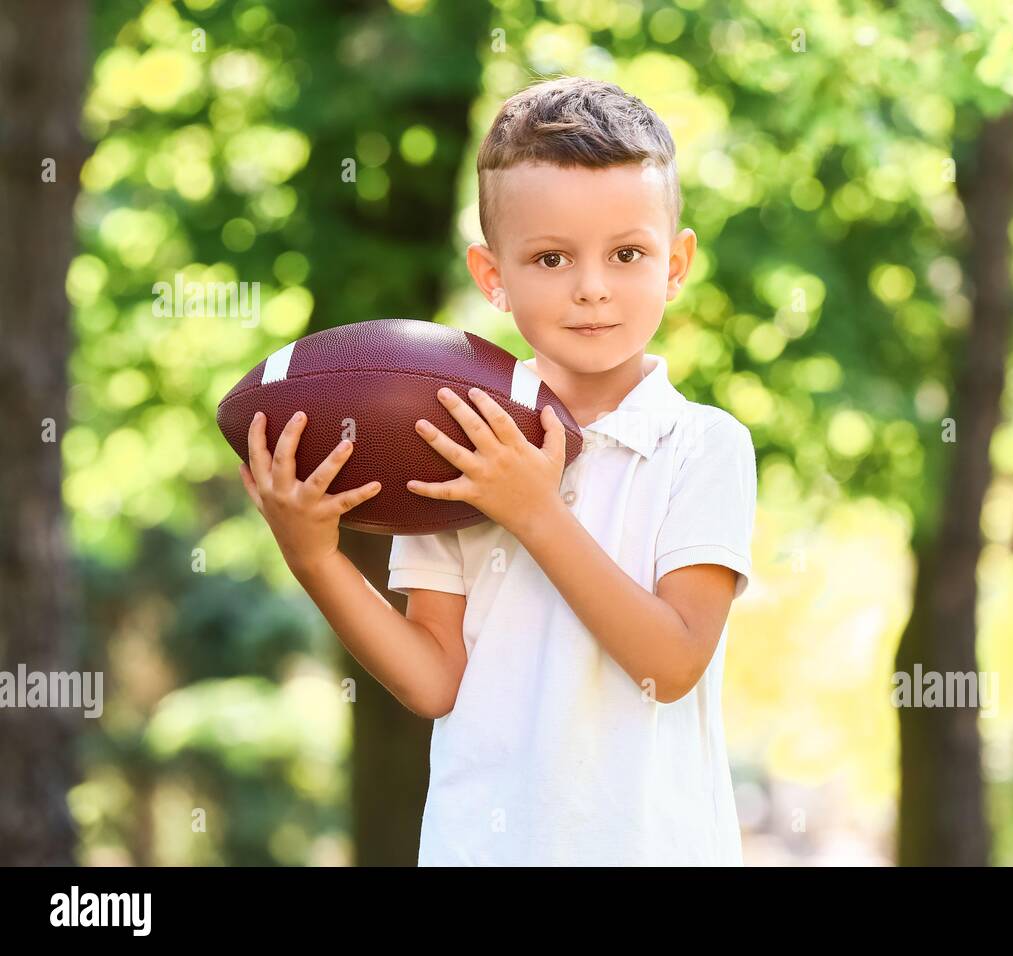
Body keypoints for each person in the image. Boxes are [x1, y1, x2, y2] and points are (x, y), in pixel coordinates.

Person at [239, 76, 757, 865]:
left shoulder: (703, 445)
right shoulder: (445, 440)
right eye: (550, 258)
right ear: (493, 277)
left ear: (676, 262)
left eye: (627, 254)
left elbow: (674, 662)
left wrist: (536, 512)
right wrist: (315, 559)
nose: (591, 286)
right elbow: (434, 682)